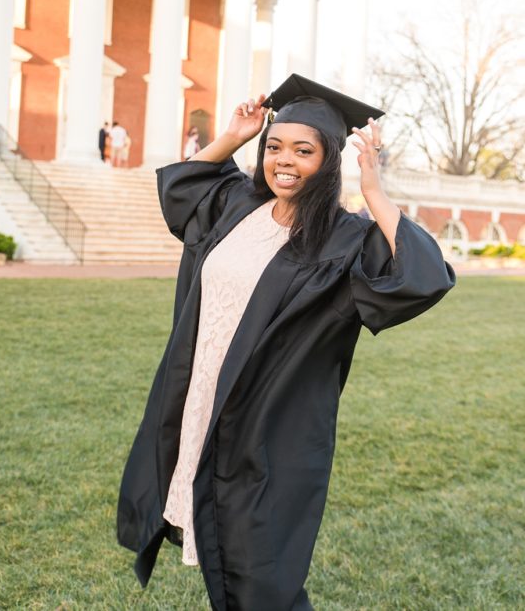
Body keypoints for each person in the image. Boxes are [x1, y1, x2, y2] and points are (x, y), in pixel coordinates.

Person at [117, 74, 455, 609]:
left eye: (304, 150)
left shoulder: (346, 240)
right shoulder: (238, 206)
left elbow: (424, 275)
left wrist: (373, 189)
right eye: (275, 147)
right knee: (220, 554)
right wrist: (235, 135)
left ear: (329, 161)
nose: (284, 161)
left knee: (261, 576)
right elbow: (184, 188)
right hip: (203, 402)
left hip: (270, 428)